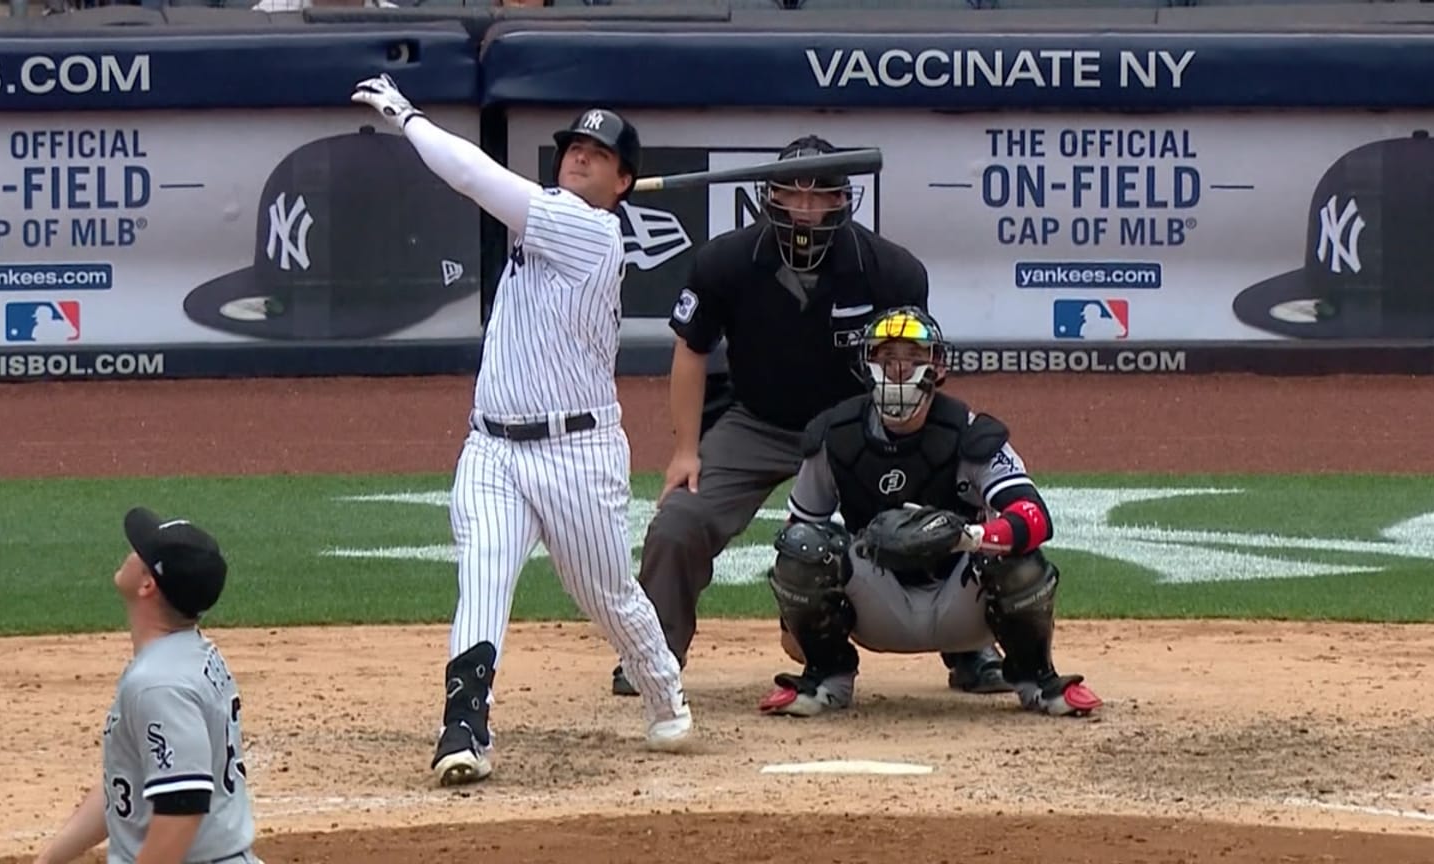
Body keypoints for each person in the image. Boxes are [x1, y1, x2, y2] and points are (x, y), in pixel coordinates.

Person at [351, 75, 693, 786]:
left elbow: (472, 174)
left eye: (599, 154)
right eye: (574, 146)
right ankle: (464, 725)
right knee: (482, 574)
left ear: (622, 181)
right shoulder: (547, 215)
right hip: (493, 448)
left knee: (607, 595)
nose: (579, 157)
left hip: (578, 452)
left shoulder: (591, 232)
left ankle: (662, 684)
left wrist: (409, 116)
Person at [611, 134, 1010, 699]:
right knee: (678, 522)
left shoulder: (891, 271)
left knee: (935, 510)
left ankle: (970, 647)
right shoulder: (724, 261)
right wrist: (684, 449)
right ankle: (652, 654)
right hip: (758, 420)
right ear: (767, 198)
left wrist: (914, 439)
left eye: (819, 195)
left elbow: (910, 358)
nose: (805, 208)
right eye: (792, 195)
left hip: (859, 426)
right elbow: (690, 350)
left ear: (841, 201)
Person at [757, 307, 1104, 719]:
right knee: (801, 545)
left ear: (937, 367)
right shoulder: (835, 436)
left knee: (1020, 560)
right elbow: (799, 527)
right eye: (887, 360)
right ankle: (826, 677)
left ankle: (1036, 680)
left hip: (960, 600)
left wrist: (968, 537)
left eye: (913, 359)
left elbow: (1033, 517)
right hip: (876, 600)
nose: (899, 371)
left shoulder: (970, 434)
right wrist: (791, 622)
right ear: (867, 366)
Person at [33, 508, 261, 864]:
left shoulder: (159, 684)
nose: (130, 551)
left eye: (141, 551)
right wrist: (49, 859)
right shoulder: (186, 655)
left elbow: (181, 809)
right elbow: (127, 787)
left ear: (147, 584)